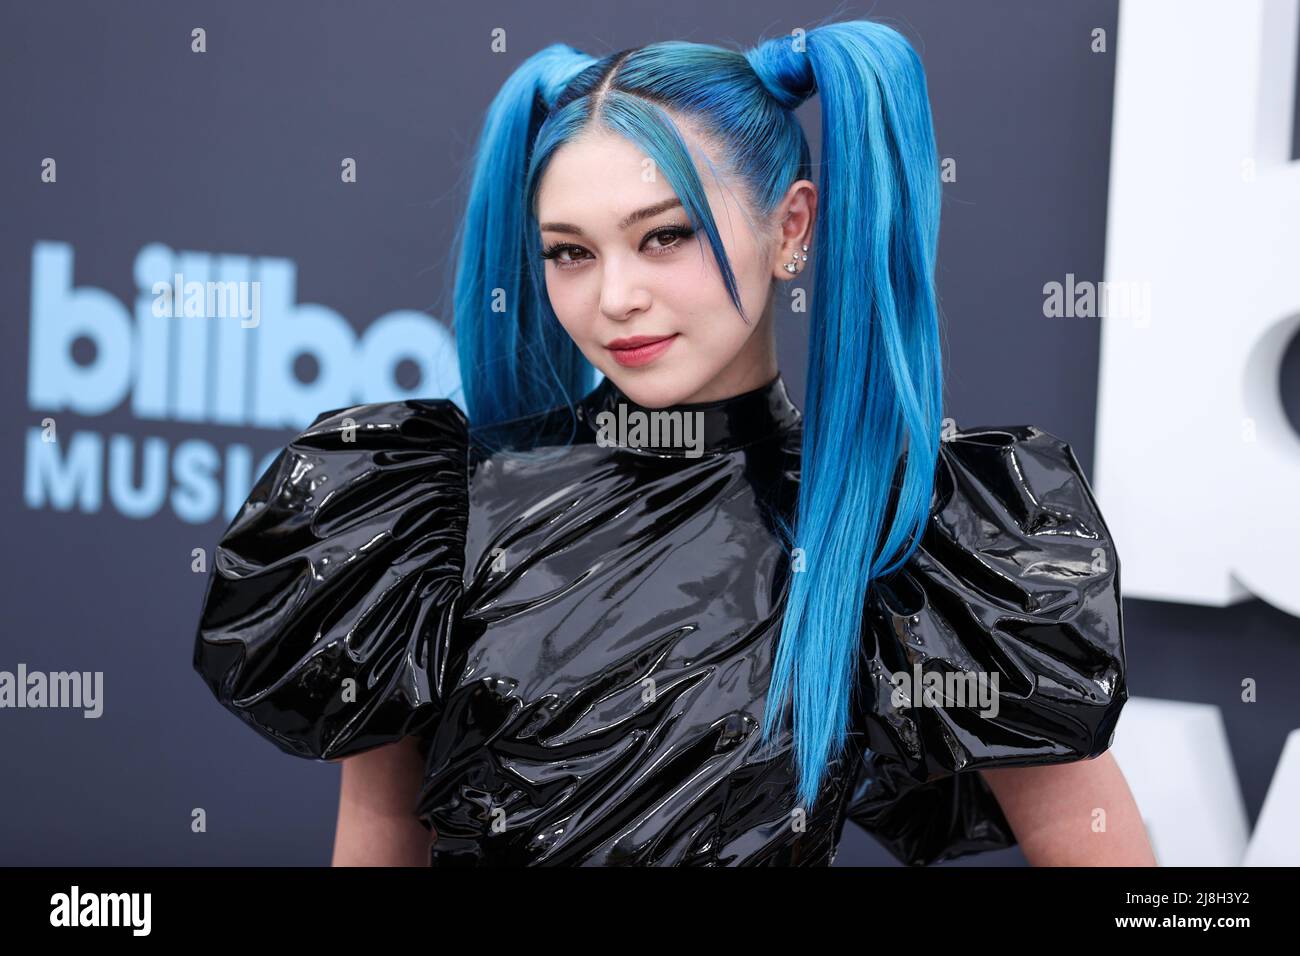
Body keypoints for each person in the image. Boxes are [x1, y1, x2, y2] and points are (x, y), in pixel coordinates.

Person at [192, 18, 1155, 866]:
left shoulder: (902, 536)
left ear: (793, 227)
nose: (614, 297)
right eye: (570, 251)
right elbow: (379, 839)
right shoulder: (430, 515)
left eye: (665, 237)